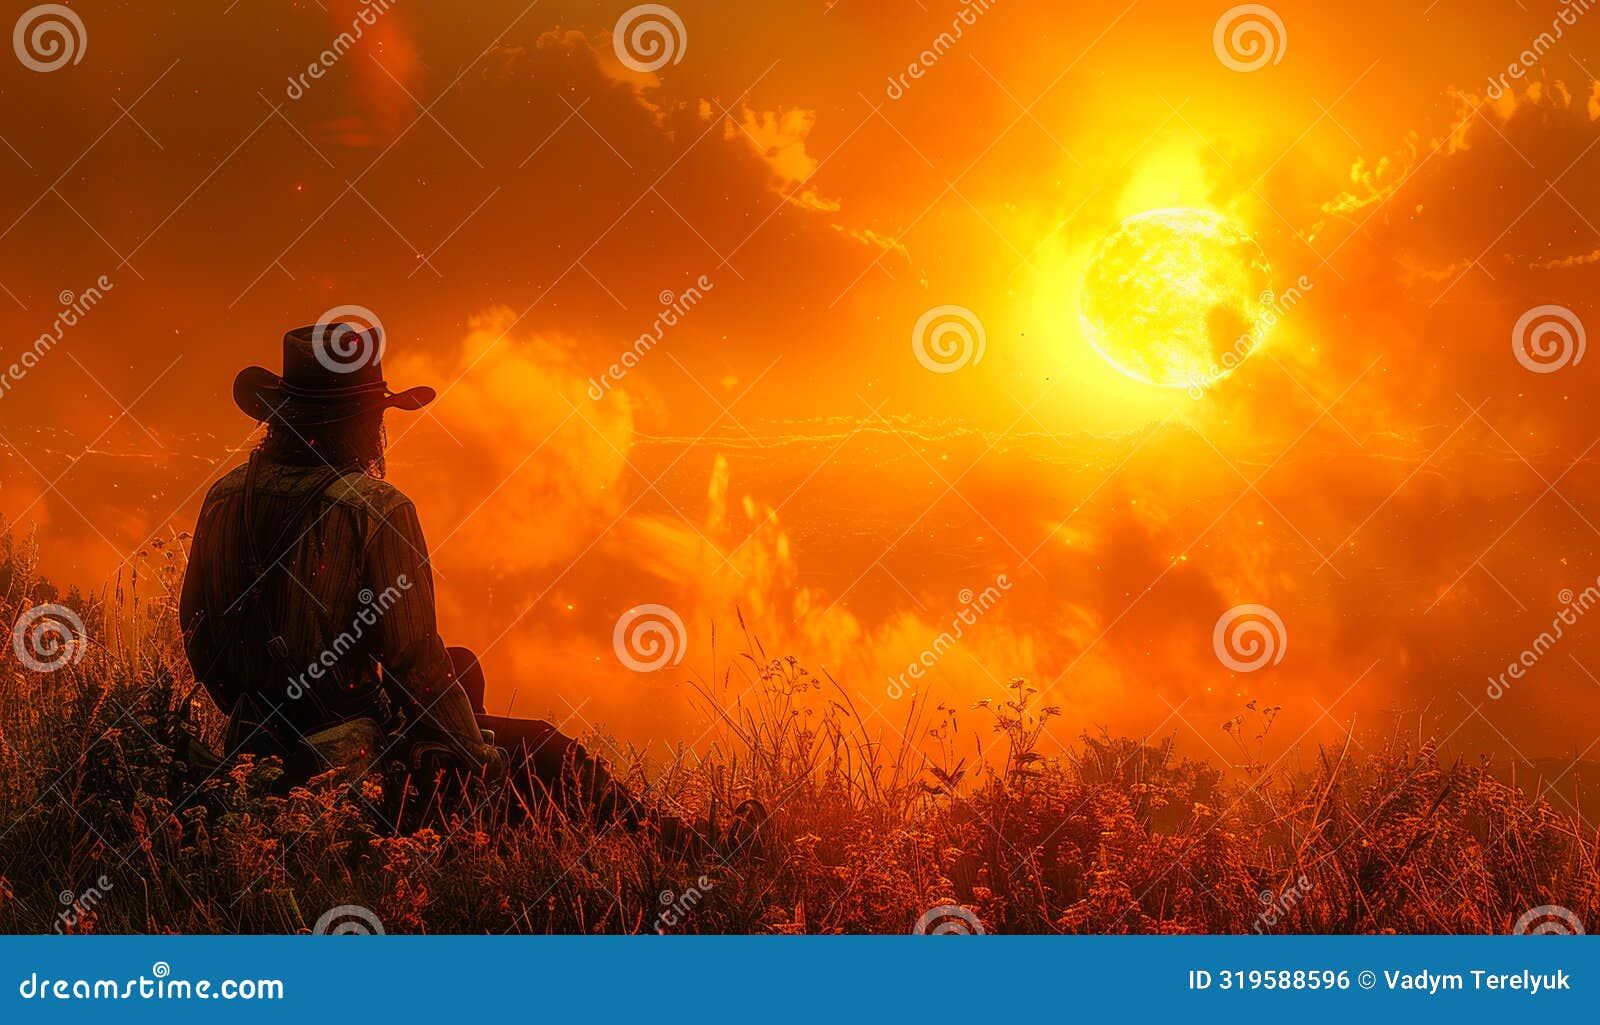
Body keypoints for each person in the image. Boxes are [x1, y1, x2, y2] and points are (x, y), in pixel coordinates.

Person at [178, 322, 650, 831]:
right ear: (360, 423)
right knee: (538, 744)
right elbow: (416, 665)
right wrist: (477, 759)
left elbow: (197, 632)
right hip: (346, 756)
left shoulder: (224, 497)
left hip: (253, 740)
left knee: (462, 667)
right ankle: (666, 839)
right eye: (377, 417)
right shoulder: (376, 509)